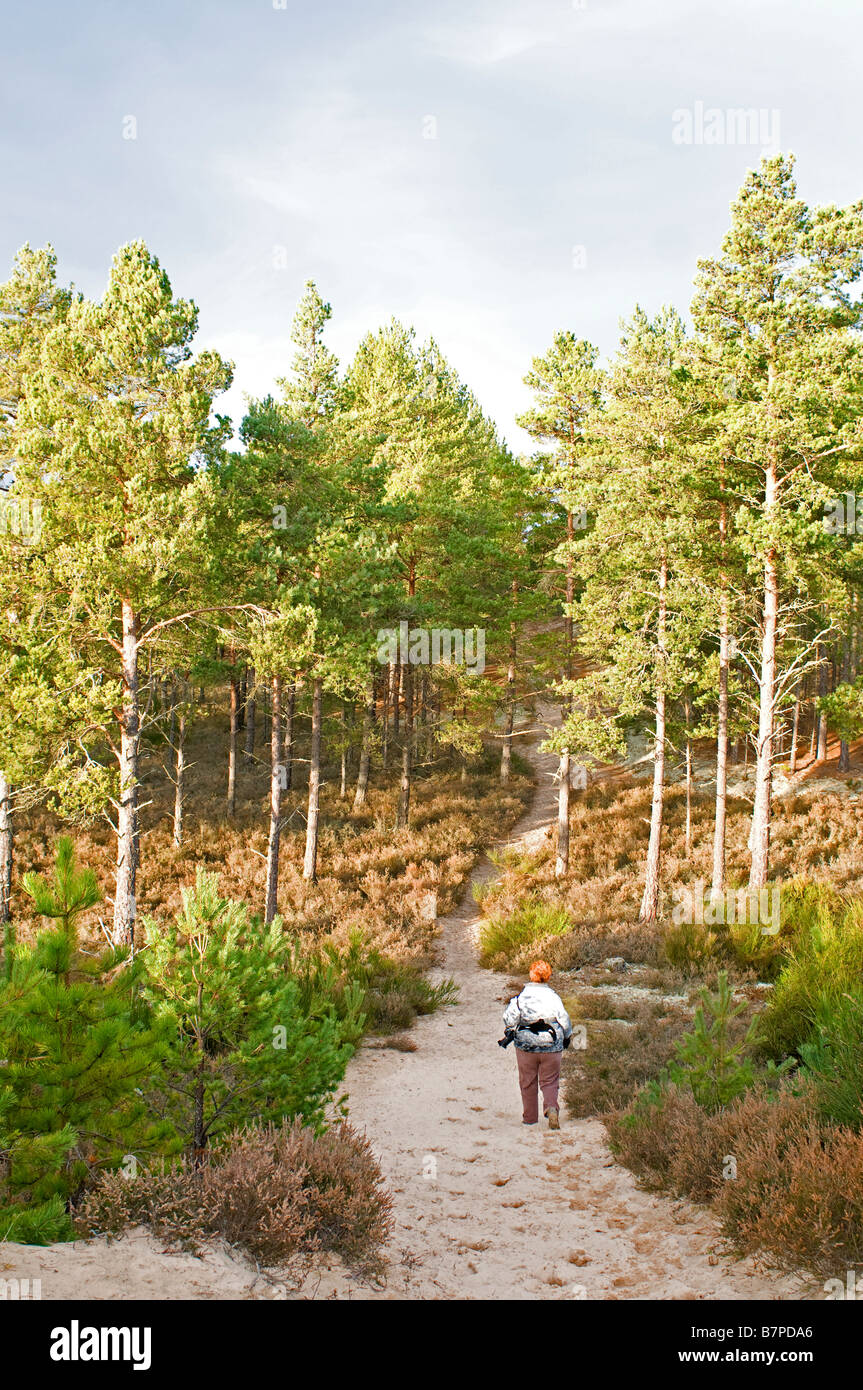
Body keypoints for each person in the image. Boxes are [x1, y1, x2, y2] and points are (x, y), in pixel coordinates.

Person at [501, 960, 572, 1129]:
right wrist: (567, 1036)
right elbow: (564, 1020)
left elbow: (509, 1018)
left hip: (526, 1045)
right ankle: (551, 1108)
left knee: (527, 1081)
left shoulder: (521, 997)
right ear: (548, 976)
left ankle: (530, 1118)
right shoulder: (554, 997)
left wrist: (510, 1030)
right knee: (550, 1081)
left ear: (531, 975)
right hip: (551, 1044)